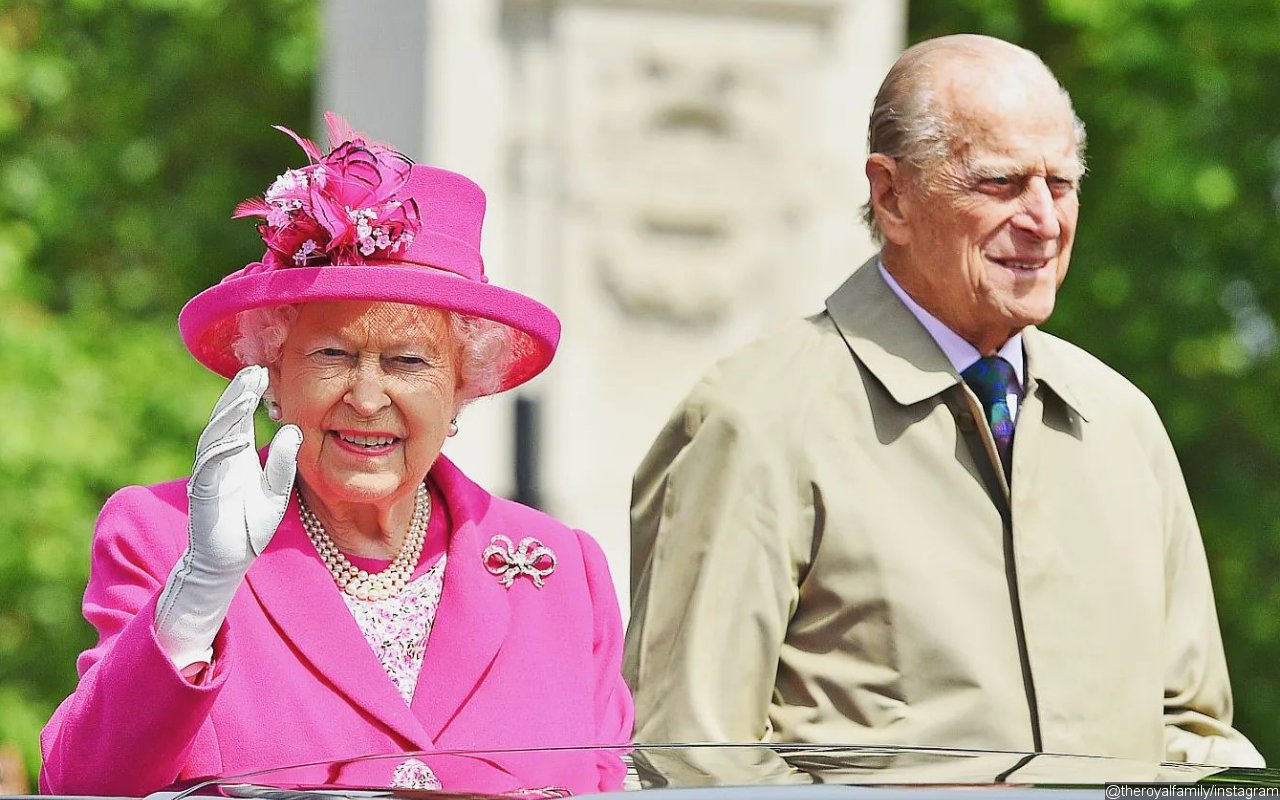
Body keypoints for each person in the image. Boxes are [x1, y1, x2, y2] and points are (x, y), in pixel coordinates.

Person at [624, 34, 1263, 767]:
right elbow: (691, 754)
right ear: (891, 196)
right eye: (1000, 183)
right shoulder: (755, 419)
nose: (1044, 221)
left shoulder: (1123, 423)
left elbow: (1190, 734)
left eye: (1061, 184)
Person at [41, 114, 633, 796]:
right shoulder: (163, 537)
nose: (368, 397)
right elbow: (80, 787)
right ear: (273, 371)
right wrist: (195, 599)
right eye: (332, 355)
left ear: (462, 384)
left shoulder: (563, 569)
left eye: (409, 361)